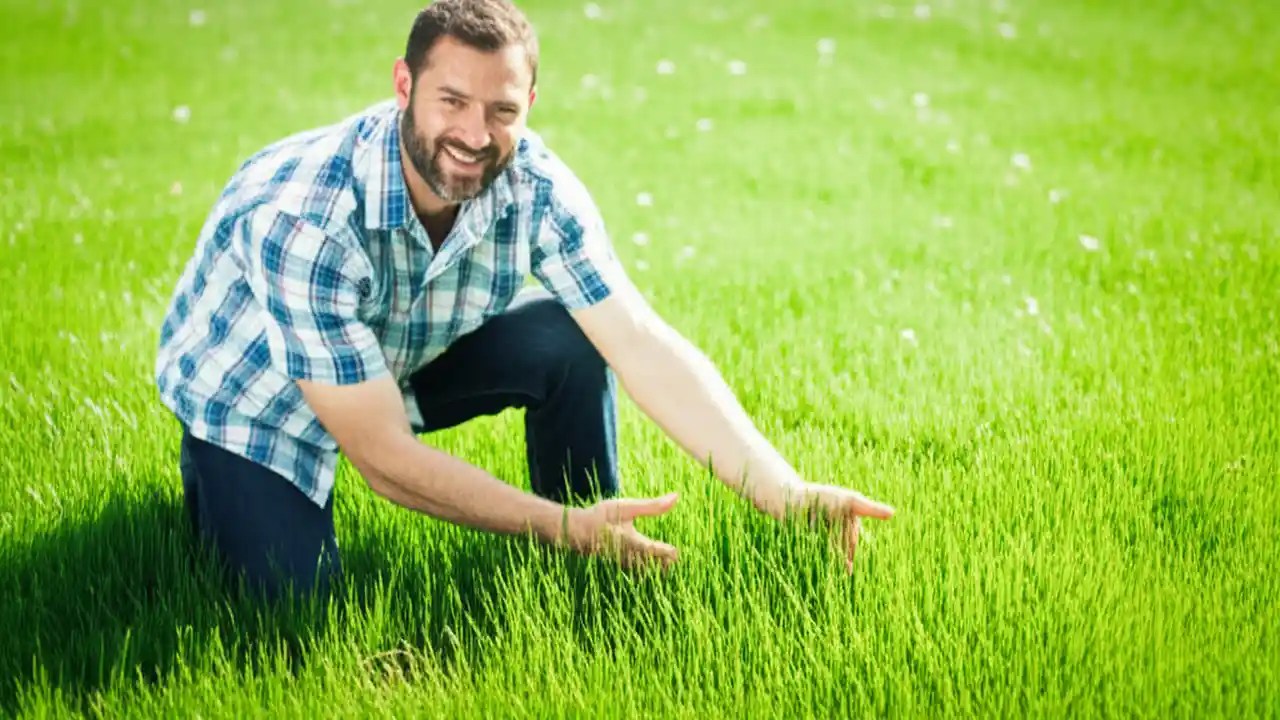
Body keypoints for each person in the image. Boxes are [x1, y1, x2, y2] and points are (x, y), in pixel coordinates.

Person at [154, 0, 895, 599]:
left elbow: (639, 343)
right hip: (259, 406)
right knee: (295, 617)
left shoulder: (536, 188)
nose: (475, 135)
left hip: (395, 360)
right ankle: (576, 532)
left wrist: (783, 490)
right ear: (404, 86)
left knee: (571, 338)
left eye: (502, 110)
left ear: (530, 104)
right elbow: (382, 459)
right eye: (452, 101)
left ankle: (598, 560)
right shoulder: (305, 221)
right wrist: (556, 525)